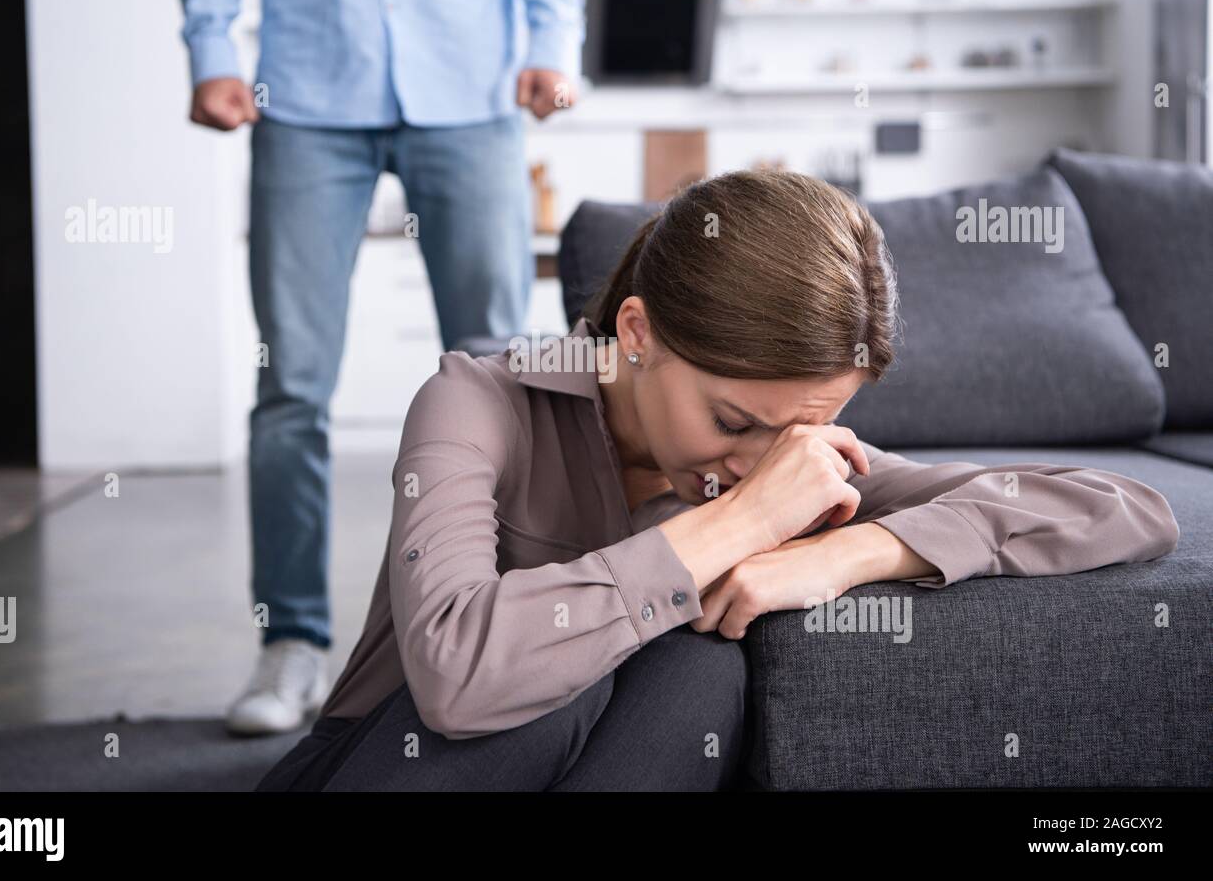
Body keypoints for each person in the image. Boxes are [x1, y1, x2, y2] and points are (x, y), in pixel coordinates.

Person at [254, 167, 1181, 790]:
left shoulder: (797, 468)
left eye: (797, 433)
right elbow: (457, 676)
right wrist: (740, 525)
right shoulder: (473, 401)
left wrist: (855, 551)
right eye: (735, 421)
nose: (757, 463)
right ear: (637, 332)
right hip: (378, 762)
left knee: (696, 671)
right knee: (561, 669)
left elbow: (1126, 508)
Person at [178, 0, 585, 734]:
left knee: (500, 374)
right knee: (290, 384)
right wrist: (211, 49)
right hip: (306, 99)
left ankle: (502, 628)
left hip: (472, 93)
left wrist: (553, 40)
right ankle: (291, 639)